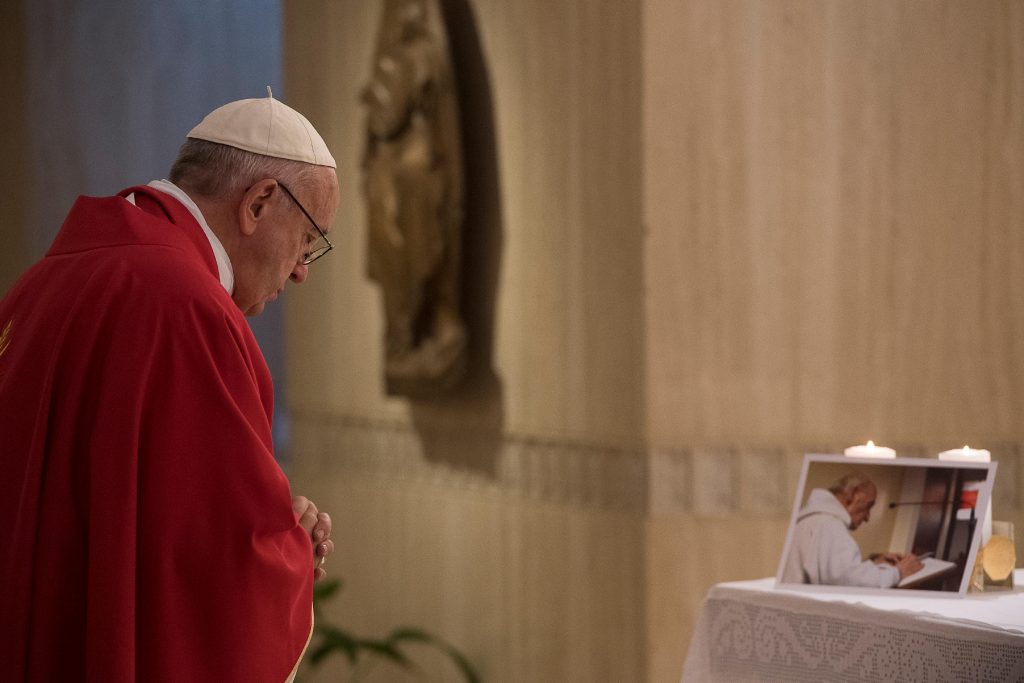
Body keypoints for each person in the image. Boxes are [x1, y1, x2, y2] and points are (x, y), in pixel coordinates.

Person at [0, 91, 338, 681]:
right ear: (258, 202)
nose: (303, 270)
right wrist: (292, 548)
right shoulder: (187, 308)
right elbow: (209, 576)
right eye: (308, 240)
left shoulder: (42, 282)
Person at [782, 473, 923, 588]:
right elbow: (847, 582)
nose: (867, 517)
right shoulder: (829, 524)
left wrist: (873, 563)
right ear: (853, 494)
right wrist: (899, 572)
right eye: (869, 506)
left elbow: (833, 573)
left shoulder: (814, 520)